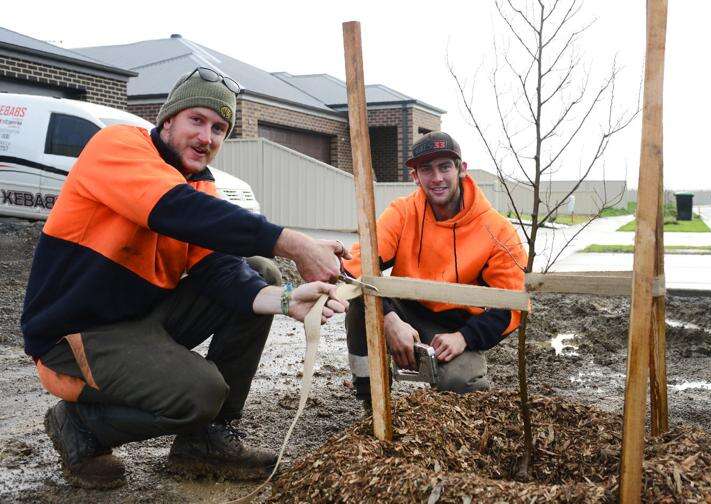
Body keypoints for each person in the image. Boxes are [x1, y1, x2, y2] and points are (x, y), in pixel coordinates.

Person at [20, 67, 349, 489]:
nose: (207, 137)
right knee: (202, 392)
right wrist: (294, 243)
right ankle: (82, 426)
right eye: (197, 120)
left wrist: (286, 300)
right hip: (72, 339)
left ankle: (206, 439)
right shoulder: (117, 146)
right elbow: (172, 209)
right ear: (168, 119)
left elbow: (220, 269)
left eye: (219, 128)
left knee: (260, 272)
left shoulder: (198, 186)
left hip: (136, 326)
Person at [342, 131, 526, 409]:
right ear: (415, 176)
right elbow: (355, 267)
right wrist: (388, 319)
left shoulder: (496, 229)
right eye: (426, 169)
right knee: (359, 307)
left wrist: (465, 337)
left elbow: (513, 305)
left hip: (454, 327)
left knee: (463, 384)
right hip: (404, 310)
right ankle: (372, 401)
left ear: (462, 169)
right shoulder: (402, 213)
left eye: (445, 166)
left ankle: (452, 410)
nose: (436, 177)